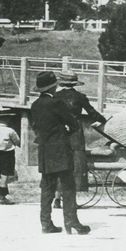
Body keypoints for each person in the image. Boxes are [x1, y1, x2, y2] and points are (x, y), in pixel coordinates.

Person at [30, 71, 90, 235]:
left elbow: (35, 127)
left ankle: (46, 223)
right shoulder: (56, 104)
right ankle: (71, 221)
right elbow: (74, 124)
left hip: (44, 150)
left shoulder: (35, 105)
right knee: (68, 186)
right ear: (54, 86)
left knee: (47, 187)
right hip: (61, 150)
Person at [54, 70, 106, 206]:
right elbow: (92, 112)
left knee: (60, 162)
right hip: (75, 131)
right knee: (76, 164)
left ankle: (57, 198)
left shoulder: (54, 96)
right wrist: (103, 120)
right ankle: (71, 201)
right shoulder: (79, 97)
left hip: (58, 131)